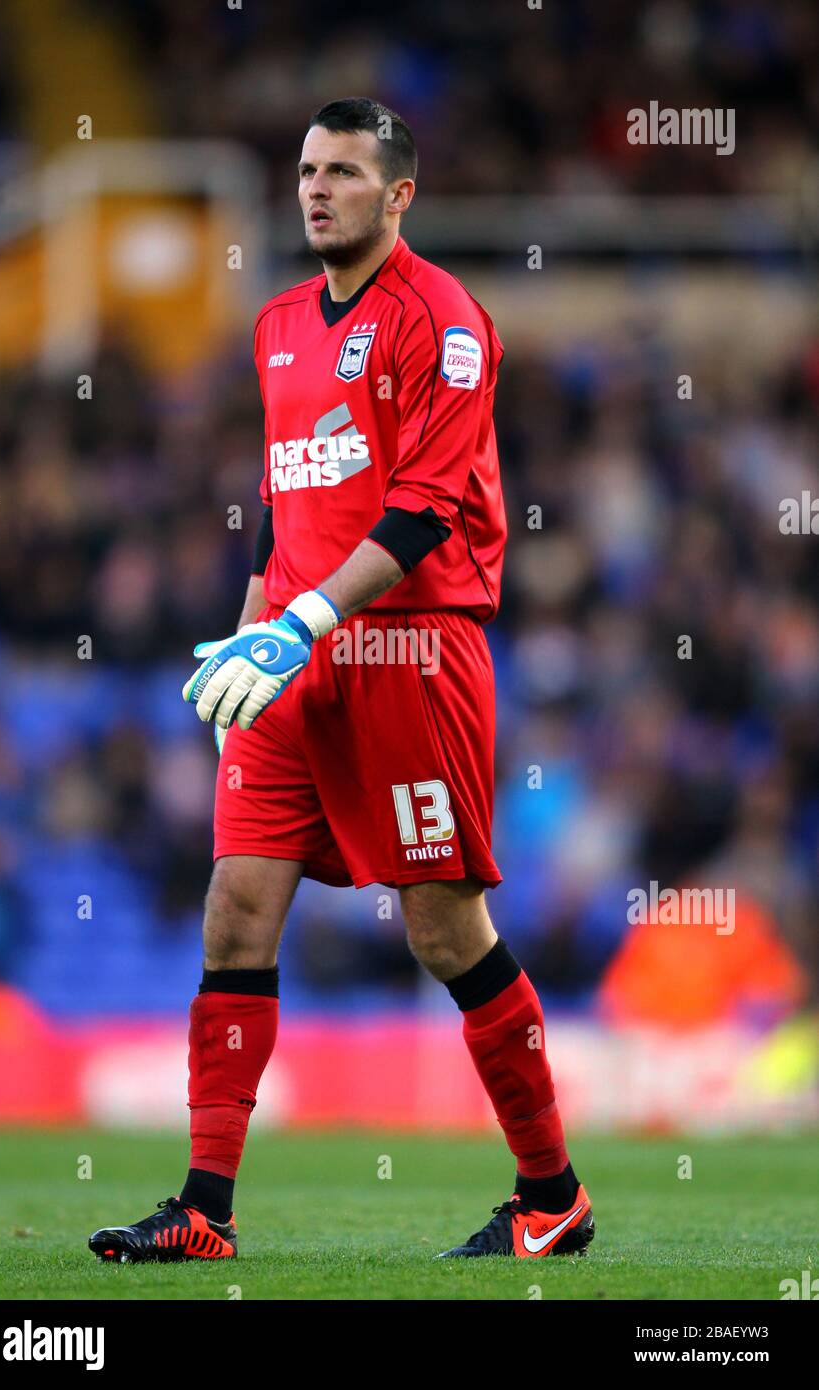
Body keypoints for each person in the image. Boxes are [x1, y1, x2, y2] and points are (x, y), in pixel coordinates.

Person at [88, 97, 593, 1264]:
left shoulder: (443, 322)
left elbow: (424, 509)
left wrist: (304, 621)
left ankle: (550, 1192)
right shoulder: (273, 325)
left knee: (439, 926)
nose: (315, 189)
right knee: (236, 903)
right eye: (306, 170)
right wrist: (247, 636)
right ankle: (205, 1211)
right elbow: (286, 511)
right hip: (287, 664)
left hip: (408, 655)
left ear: (399, 193)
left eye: (345, 173)